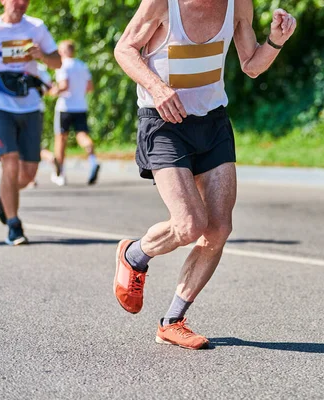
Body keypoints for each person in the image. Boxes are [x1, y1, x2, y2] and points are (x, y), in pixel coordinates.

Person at [113, 0, 296, 349]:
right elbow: (125, 49)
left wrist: (275, 40)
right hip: (164, 122)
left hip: (212, 123)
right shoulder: (163, 3)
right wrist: (157, 87)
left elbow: (251, 65)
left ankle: (173, 320)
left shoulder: (238, 4)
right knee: (188, 225)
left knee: (218, 229)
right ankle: (135, 255)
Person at [0, 0, 61, 245]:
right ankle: (14, 225)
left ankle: (0, 193)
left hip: (30, 105)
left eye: (25, 0)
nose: (21, 4)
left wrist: (42, 55)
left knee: (28, 174)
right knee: (10, 163)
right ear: (2, 1)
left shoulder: (36, 27)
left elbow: (57, 61)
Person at [50, 40, 99, 186]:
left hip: (64, 107)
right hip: (80, 106)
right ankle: (93, 161)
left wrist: (54, 90)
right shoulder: (82, 65)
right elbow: (90, 87)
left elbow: (64, 85)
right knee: (82, 135)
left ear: (63, 52)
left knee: (61, 139)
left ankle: (60, 174)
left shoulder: (62, 65)